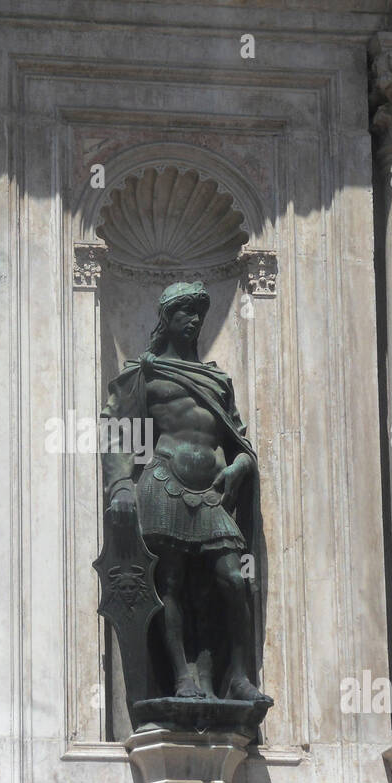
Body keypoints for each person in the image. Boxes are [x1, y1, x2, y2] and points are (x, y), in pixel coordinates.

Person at [101, 281, 271, 705]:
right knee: (170, 583)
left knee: (232, 580)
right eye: (185, 313)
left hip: (213, 493)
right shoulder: (146, 371)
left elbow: (240, 443)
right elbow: (121, 433)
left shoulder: (217, 380)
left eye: (199, 313)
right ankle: (183, 678)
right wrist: (121, 484)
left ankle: (234, 676)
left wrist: (240, 466)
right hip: (163, 483)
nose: (194, 320)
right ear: (167, 319)